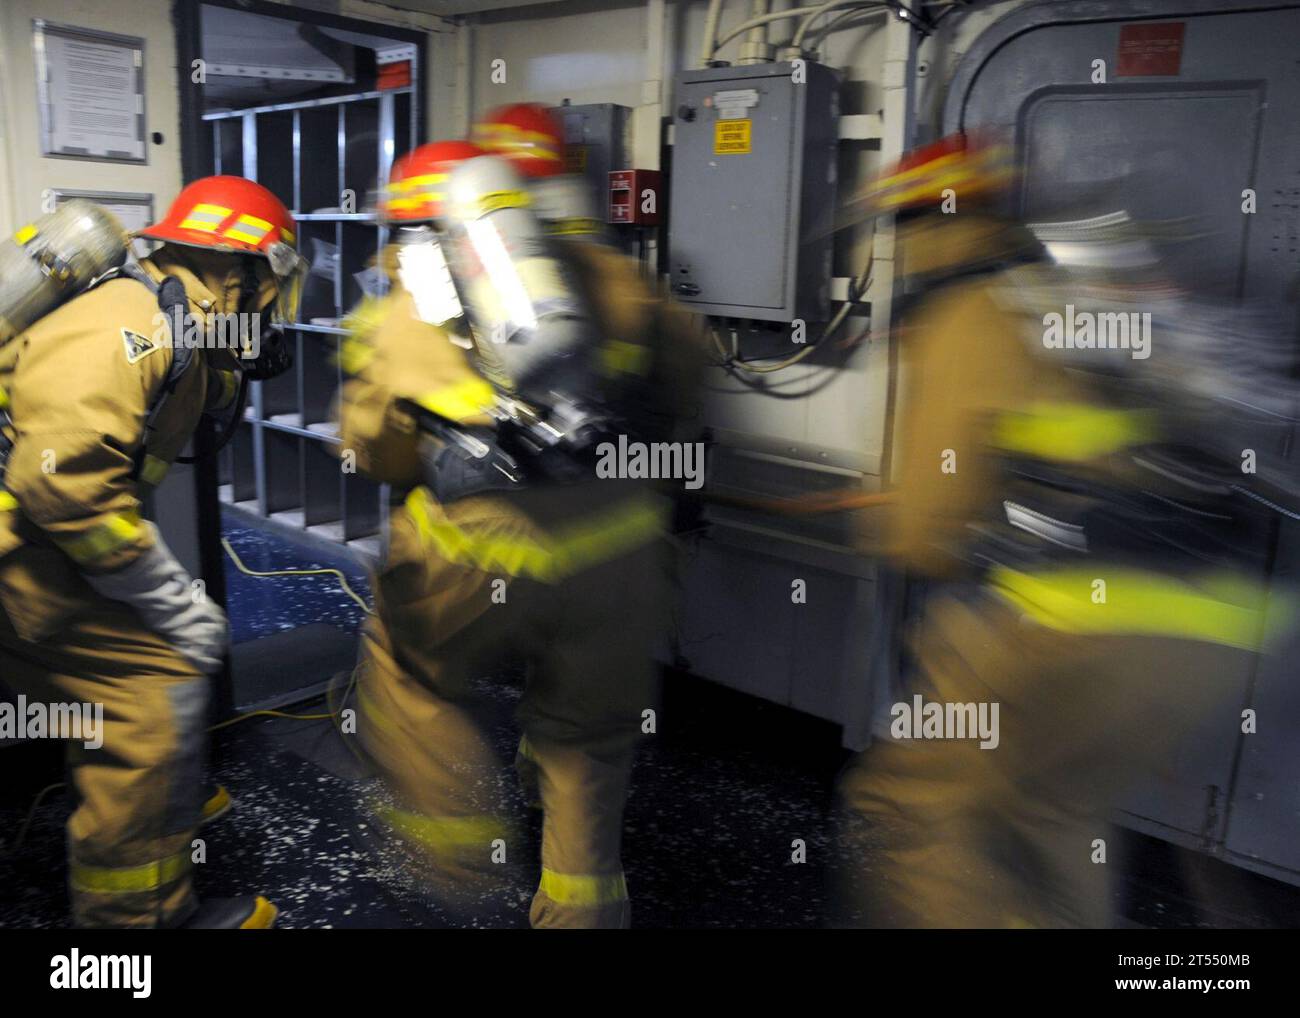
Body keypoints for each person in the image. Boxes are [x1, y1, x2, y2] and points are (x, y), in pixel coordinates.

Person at [833, 135, 1286, 927]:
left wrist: (898, 527)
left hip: (1072, 623)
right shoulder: (1071, 294)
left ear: (914, 224)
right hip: (1217, 628)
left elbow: (925, 524)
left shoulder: (970, 312)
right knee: (1048, 816)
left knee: (909, 812)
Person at [338, 140, 702, 927]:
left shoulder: (399, 311)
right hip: (625, 554)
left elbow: (376, 451)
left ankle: (457, 845)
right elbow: (685, 384)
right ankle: (581, 904)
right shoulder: (617, 281)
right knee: (589, 738)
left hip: (481, 558)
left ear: (411, 225)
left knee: (406, 666)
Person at [0, 175, 303, 928]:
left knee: (100, 684)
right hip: (24, 545)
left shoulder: (172, 322)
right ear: (239, 275)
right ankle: (134, 928)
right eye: (269, 286)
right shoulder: (134, 322)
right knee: (154, 691)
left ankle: (149, 785)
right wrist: (165, 597)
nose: (271, 309)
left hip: (30, 544)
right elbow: (65, 485)